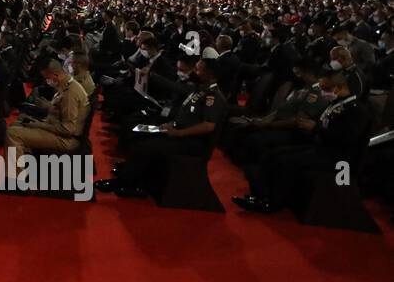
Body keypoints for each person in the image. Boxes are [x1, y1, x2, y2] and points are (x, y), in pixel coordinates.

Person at [232, 70, 371, 214]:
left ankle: (272, 202)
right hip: (321, 148)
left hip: (338, 157)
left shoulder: (356, 110)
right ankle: (260, 195)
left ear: (340, 87)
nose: (324, 92)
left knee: (286, 161)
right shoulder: (336, 103)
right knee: (274, 154)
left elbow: (346, 139)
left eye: (328, 88)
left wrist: (315, 128)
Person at [96, 57, 227, 198]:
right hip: (176, 130)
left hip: (191, 142)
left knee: (147, 146)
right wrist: (171, 125)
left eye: (198, 69)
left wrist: (179, 133)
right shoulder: (200, 90)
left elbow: (208, 126)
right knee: (140, 130)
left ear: (210, 73)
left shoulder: (213, 96)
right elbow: (187, 116)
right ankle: (132, 170)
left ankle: (127, 183)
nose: (195, 72)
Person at [5, 58, 89, 159]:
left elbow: (67, 130)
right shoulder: (66, 85)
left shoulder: (70, 93)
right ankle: (28, 159)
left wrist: (39, 125)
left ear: (56, 75)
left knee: (13, 134)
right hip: (58, 129)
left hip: (67, 140)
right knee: (19, 122)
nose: (46, 81)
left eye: (47, 78)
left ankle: (14, 174)